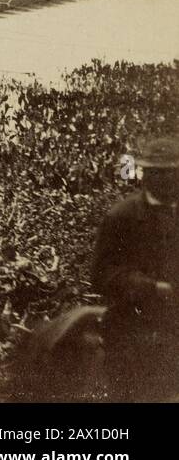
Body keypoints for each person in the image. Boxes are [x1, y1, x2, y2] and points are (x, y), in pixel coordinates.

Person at [90, 132, 179, 401]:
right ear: (145, 174)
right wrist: (151, 287)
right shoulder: (121, 217)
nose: (166, 179)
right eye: (157, 172)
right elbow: (101, 274)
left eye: (172, 172)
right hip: (134, 326)